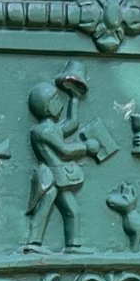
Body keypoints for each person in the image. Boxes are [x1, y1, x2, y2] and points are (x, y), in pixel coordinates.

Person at [23, 61, 114, 251]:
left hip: (60, 177)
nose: (60, 104)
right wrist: (86, 148)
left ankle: (73, 245)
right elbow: (64, 150)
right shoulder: (42, 131)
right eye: (57, 100)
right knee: (43, 210)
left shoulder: (52, 127)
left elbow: (72, 124)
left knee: (71, 210)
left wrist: (74, 98)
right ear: (46, 107)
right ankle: (33, 244)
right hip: (49, 177)